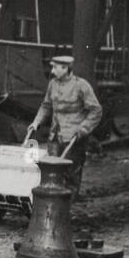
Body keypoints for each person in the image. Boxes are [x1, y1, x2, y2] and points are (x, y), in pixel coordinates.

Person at [27, 54, 103, 200]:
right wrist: (36, 122)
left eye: (55, 67)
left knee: (71, 172)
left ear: (65, 68)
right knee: (52, 170)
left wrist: (84, 129)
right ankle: (53, 201)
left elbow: (96, 110)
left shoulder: (81, 85)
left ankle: (69, 203)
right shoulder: (53, 84)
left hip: (74, 137)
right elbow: (46, 105)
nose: (53, 71)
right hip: (55, 135)